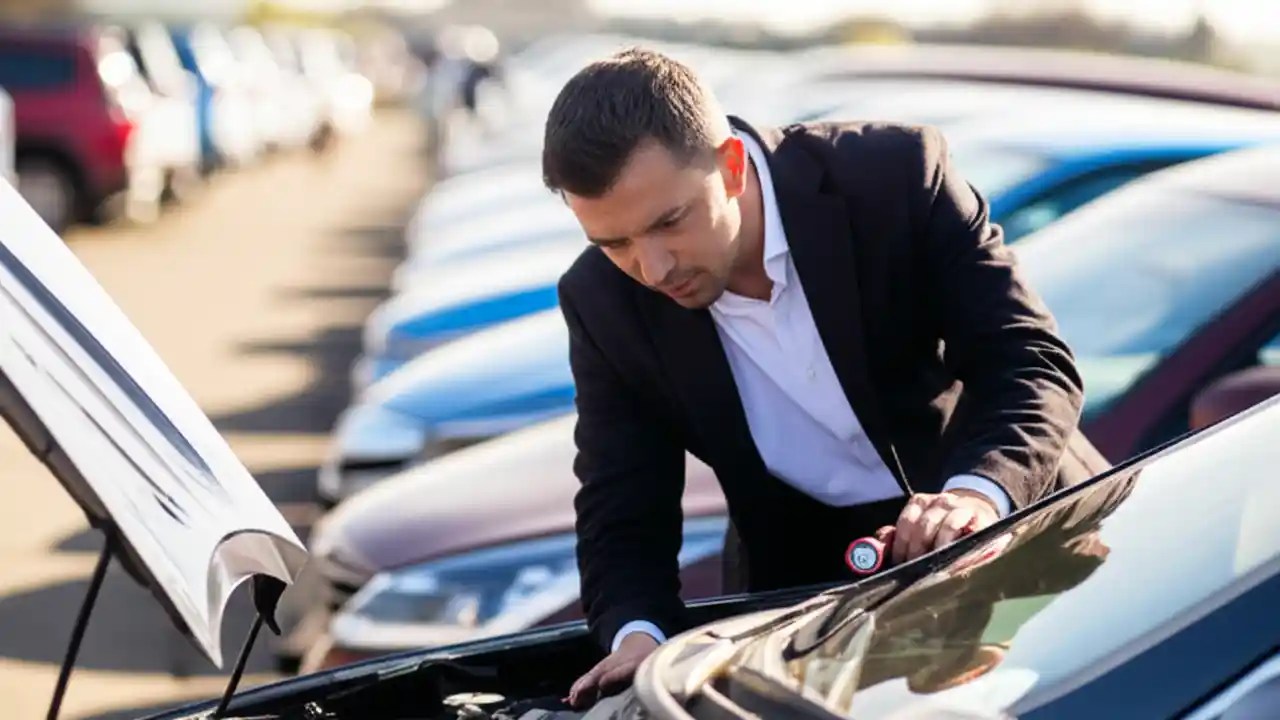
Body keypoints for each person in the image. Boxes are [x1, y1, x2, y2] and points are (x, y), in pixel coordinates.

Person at [542, 48, 1111, 709]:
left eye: (669, 222)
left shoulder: (893, 175)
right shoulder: (600, 301)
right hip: (819, 628)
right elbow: (622, 507)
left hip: (1033, 559)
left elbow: (1028, 358)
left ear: (730, 167)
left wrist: (976, 493)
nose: (654, 266)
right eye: (614, 243)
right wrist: (636, 637)